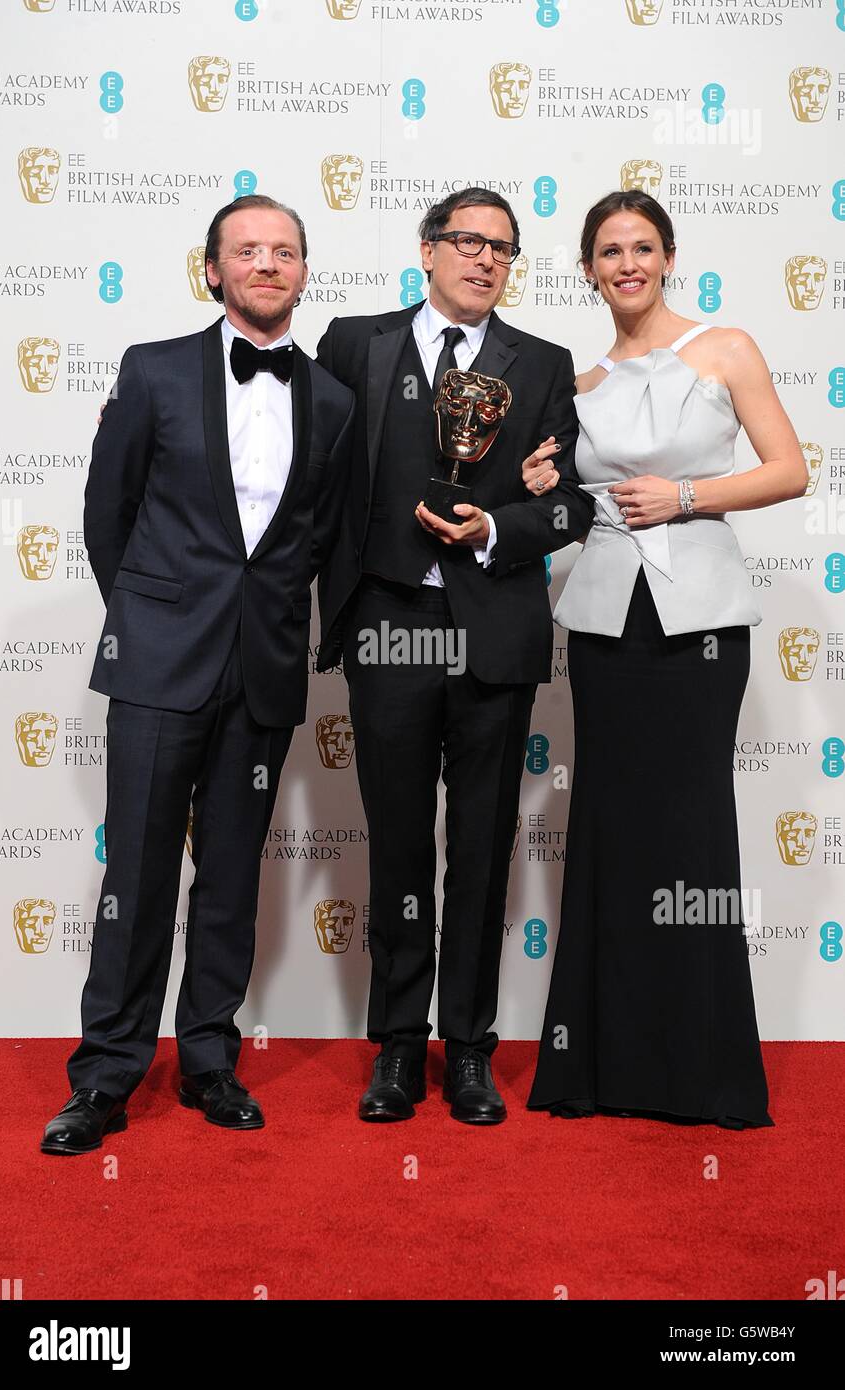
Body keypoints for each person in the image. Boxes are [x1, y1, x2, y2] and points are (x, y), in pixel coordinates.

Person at [41, 195, 354, 1155]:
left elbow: (323, 538)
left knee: (228, 878)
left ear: (304, 272)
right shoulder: (153, 369)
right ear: (211, 270)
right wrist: (150, 615)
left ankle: (210, 1058)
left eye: (286, 251)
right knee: (135, 873)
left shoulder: (334, 401)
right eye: (248, 250)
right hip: (158, 660)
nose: (268, 264)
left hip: (260, 666)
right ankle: (105, 1075)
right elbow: (110, 513)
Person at [522, 190, 806, 1129]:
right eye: (609, 251)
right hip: (606, 627)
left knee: (692, 829)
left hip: (701, 627)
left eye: (642, 247)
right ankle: (595, 1067)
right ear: (589, 268)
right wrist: (544, 483)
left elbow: (788, 470)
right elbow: (568, 503)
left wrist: (683, 497)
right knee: (607, 826)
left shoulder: (725, 348)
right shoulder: (580, 381)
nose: (627, 263)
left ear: (669, 256)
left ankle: (704, 1071)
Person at [316, 187, 594, 1124]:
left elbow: (573, 507)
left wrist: (496, 528)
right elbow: (315, 483)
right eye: (468, 242)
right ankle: (397, 1048)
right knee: (396, 849)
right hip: (390, 635)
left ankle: (469, 1049)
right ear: (428, 249)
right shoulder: (354, 344)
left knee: (481, 851)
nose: (485, 260)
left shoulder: (545, 365)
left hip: (493, 638)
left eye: (503, 250)